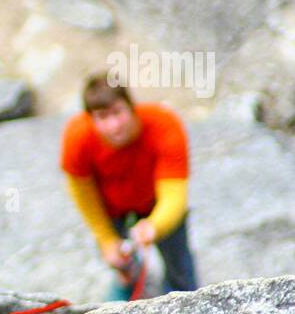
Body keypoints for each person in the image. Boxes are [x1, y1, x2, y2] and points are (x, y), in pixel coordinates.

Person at [60, 73, 199, 301]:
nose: (114, 126)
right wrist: (106, 240)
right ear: (90, 119)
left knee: (179, 267)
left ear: (131, 107)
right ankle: (127, 281)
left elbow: (174, 195)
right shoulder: (77, 138)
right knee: (119, 262)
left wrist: (155, 225)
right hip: (111, 207)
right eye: (103, 117)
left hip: (156, 203)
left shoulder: (165, 125)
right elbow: (83, 194)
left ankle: (184, 297)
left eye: (117, 112)